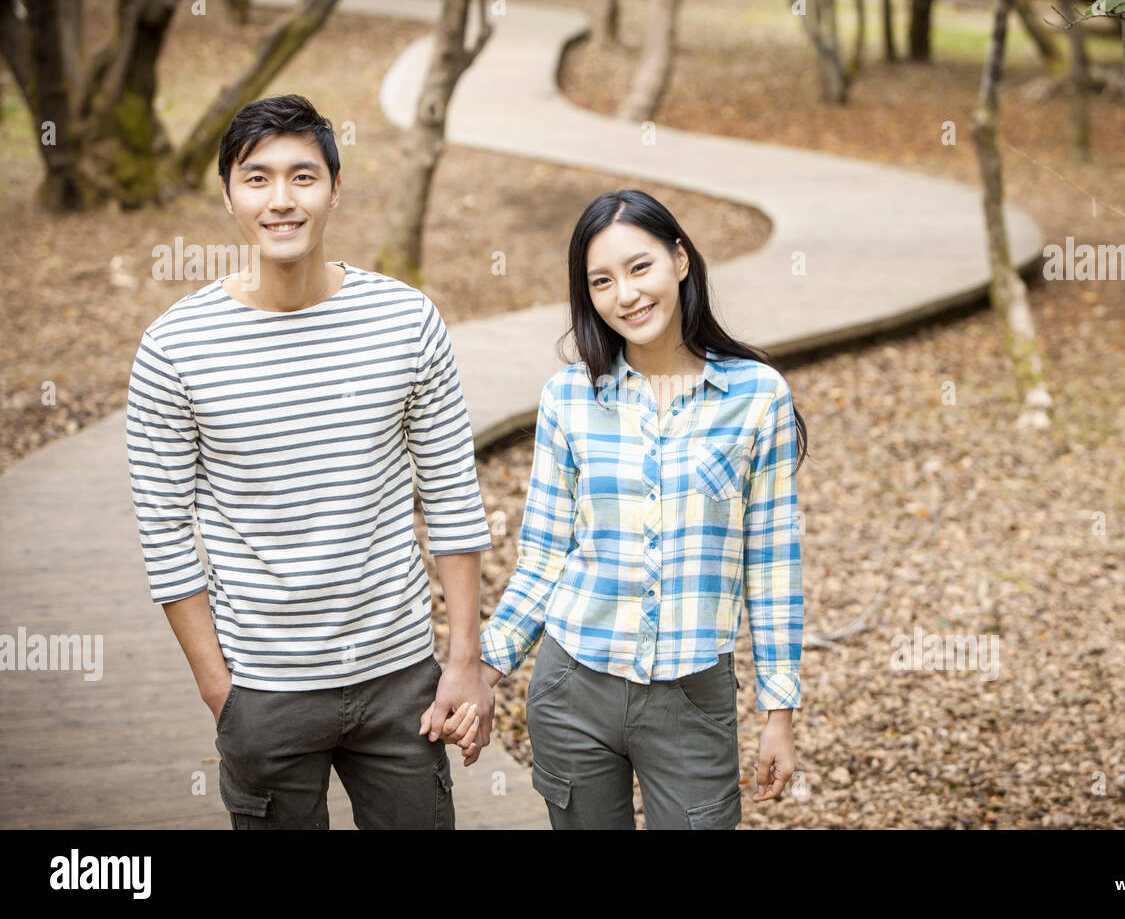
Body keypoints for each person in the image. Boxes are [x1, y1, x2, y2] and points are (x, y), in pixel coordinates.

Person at [125, 94, 490, 830]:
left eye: (304, 176)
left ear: (335, 187)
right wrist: (220, 691)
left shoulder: (407, 322)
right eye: (257, 179)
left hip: (400, 685)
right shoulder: (174, 350)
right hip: (262, 691)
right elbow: (165, 535)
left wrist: (462, 662)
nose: (281, 199)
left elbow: (452, 494)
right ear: (228, 193)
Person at [469, 187, 809, 829]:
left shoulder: (757, 397)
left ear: (680, 260)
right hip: (573, 688)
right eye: (601, 281)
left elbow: (772, 571)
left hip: (691, 696)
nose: (625, 294)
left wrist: (779, 714)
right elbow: (543, 559)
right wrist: (483, 669)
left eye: (639, 267)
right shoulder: (569, 398)